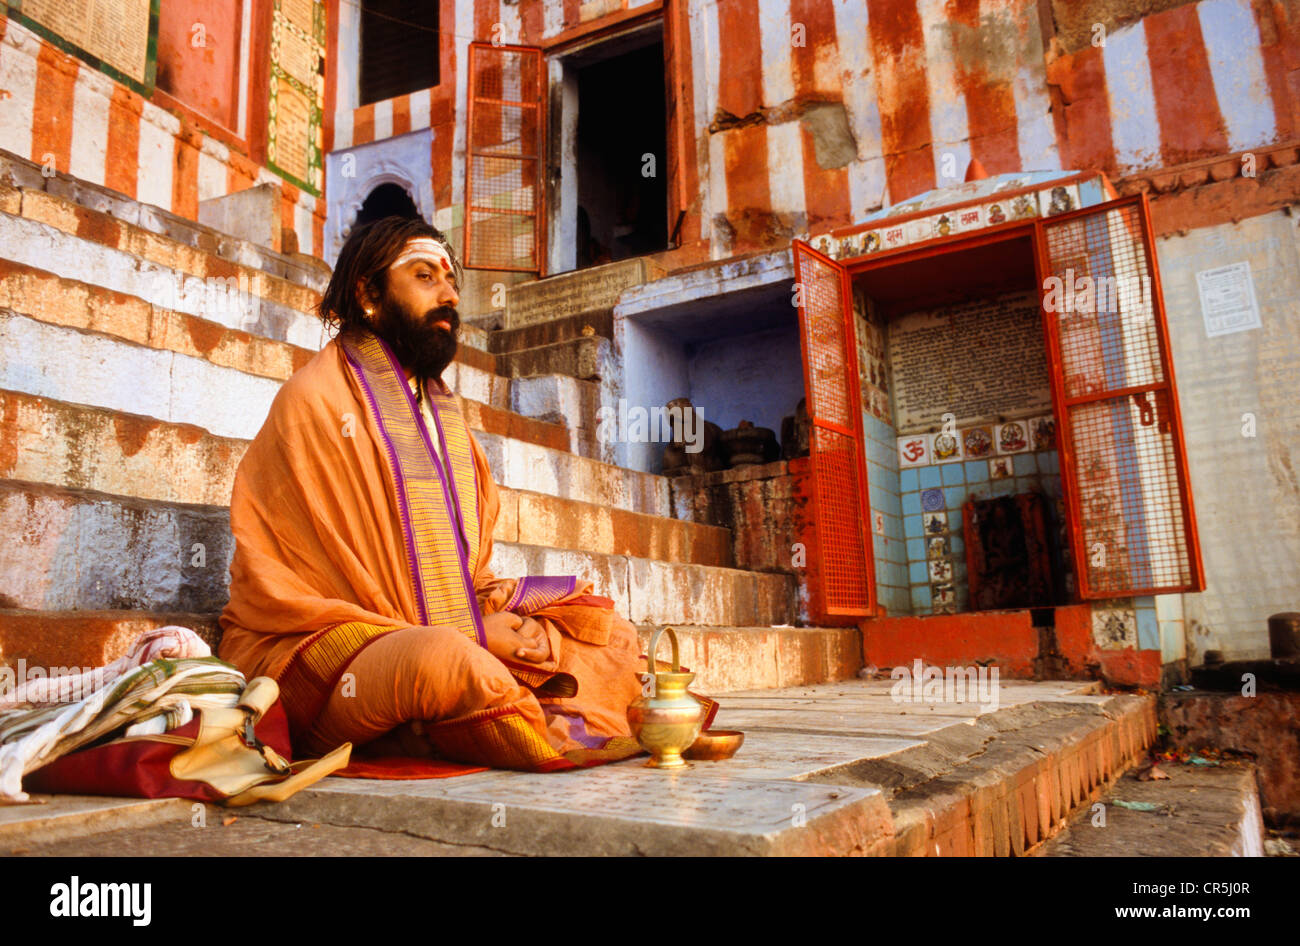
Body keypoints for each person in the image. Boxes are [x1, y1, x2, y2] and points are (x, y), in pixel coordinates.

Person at [217, 215, 650, 771]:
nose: (448, 296)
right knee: (445, 662)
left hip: (446, 626)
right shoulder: (314, 403)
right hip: (332, 647)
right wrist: (472, 633)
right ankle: (480, 713)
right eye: (425, 277)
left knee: (603, 629)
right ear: (369, 294)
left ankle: (447, 721)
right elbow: (299, 592)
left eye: (451, 284)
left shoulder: (446, 418)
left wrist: (514, 621)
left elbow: (470, 572)